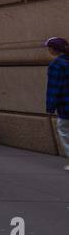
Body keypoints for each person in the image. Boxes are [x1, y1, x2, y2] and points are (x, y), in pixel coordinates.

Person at [45, 37, 69, 170]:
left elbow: (53, 88)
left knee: (65, 132)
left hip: (66, 106)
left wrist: (50, 107)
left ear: (53, 49)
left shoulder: (56, 64)